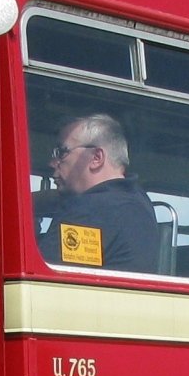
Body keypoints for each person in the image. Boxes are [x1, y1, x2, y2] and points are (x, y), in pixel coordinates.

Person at [33, 114, 159, 272]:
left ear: (96, 158)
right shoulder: (138, 201)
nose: (52, 163)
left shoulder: (90, 210)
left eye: (61, 152)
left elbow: (39, 272)